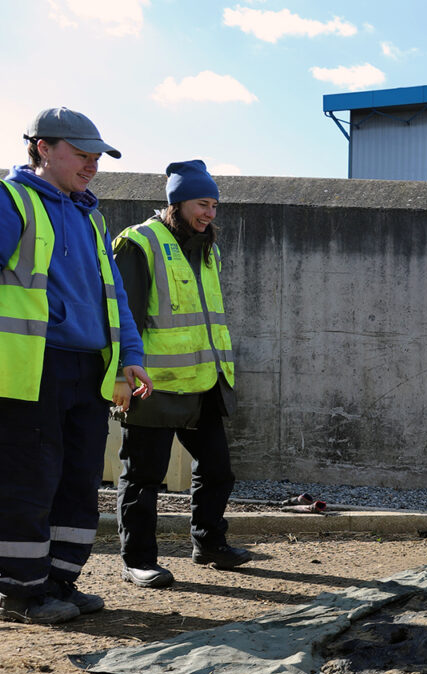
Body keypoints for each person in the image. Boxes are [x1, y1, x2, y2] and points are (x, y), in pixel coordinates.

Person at [0, 107, 152, 624]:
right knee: (30, 480)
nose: (92, 166)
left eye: (97, 157)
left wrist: (130, 357)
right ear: (43, 148)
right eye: (82, 155)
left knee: (78, 480)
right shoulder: (12, 201)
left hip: (89, 369)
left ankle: (59, 582)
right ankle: (22, 592)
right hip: (29, 370)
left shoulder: (92, 217)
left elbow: (115, 299)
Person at [113, 160, 252, 589]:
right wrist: (120, 376)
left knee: (218, 470)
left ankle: (209, 543)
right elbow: (122, 317)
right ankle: (138, 561)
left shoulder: (207, 249)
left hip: (204, 382)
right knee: (143, 478)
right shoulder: (140, 242)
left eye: (214, 205)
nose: (210, 213)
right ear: (177, 203)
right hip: (152, 386)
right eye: (201, 204)